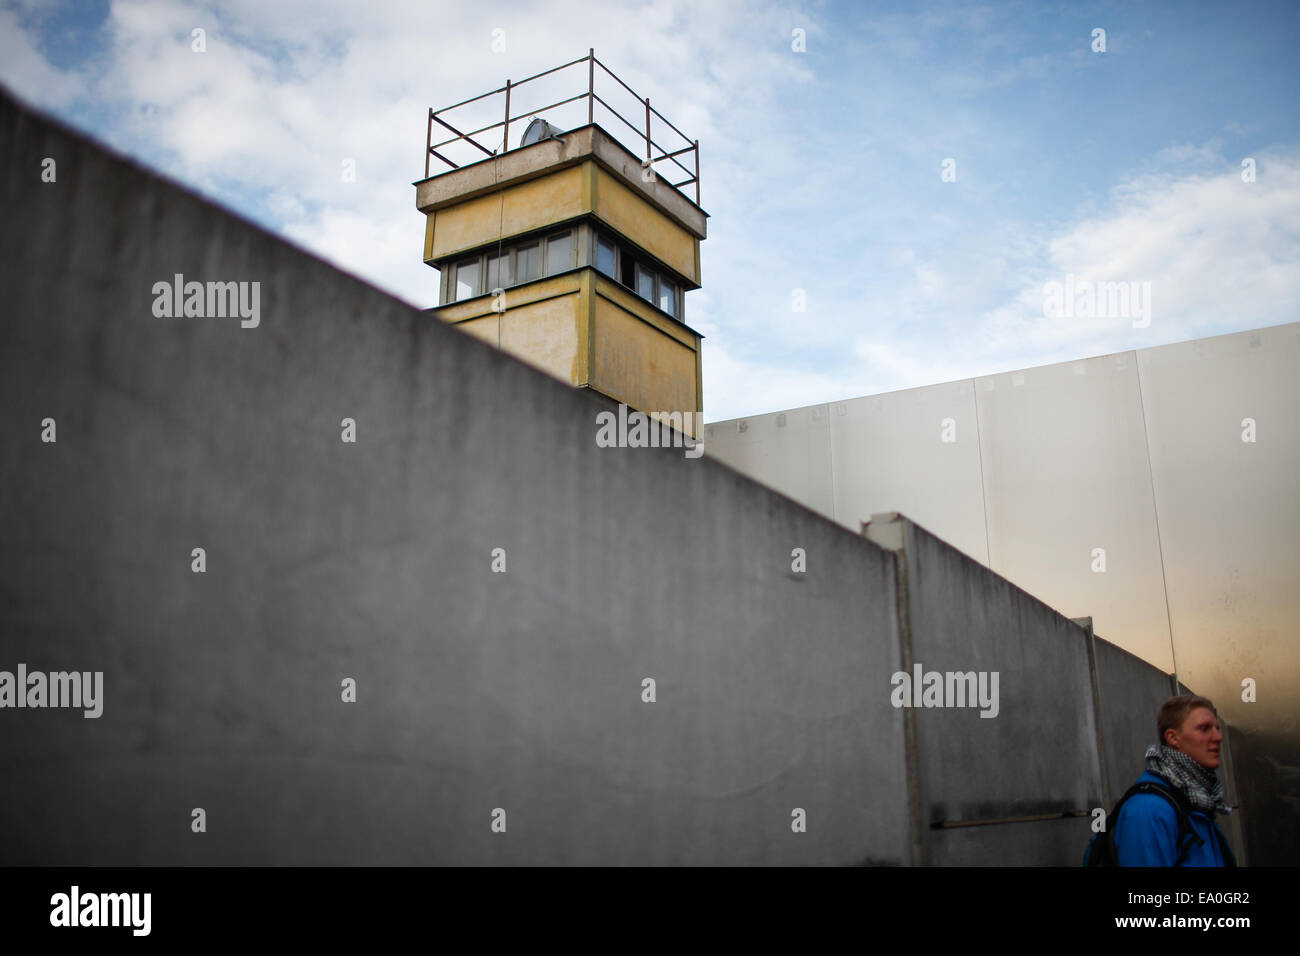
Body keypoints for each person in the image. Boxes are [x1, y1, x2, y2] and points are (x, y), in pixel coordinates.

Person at [1112, 694, 1236, 866]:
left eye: (1217, 728)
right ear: (1173, 738)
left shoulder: (1197, 801)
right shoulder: (1150, 809)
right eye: (1204, 728)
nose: (1218, 737)